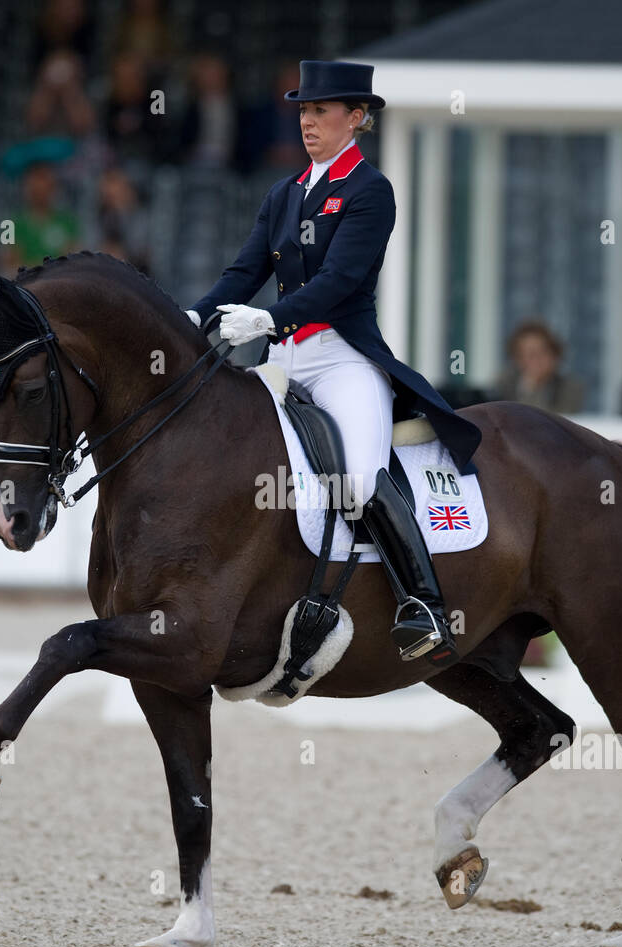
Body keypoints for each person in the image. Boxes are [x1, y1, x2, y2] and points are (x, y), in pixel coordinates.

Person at [185, 60, 481, 668]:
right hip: (283, 360)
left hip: (341, 357)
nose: (308, 122)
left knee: (362, 479)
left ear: (355, 118)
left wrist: (268, 319)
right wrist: (190, 319)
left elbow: (342, 280)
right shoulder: (285, 194)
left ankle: (421, 603)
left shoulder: (371, 190)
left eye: (321, 111)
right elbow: (245, 273)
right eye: (302, 111)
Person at [3, 160, 80, 275]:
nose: (40, 188)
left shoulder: (69, 221)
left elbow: (73, 263)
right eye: (34, 182)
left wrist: (31, 265)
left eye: (46, 182)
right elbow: (8, 266)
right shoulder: (8, 224)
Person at [498, 319, 586, 413]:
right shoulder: (503, 386)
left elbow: (556, 421)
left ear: (555, 355)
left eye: (542, 352)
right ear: (517, 359)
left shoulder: (571, 388)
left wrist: (534, 388)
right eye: (530, 354)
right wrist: (529, 387)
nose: (537, 360)